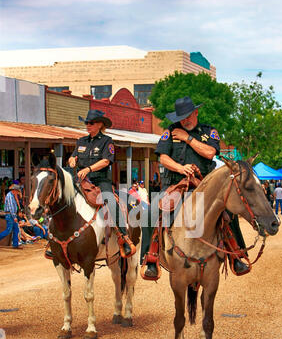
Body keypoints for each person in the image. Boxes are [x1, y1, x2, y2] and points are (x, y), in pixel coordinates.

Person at [140, 96, 249, 279]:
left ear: (196, 112)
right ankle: (149, 258)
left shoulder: (209, 132)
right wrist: (181, 168)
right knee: (150, 213)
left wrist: (188, 138)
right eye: (182, 118)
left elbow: (210, 152)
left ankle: (237, 256)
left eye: (188, 116)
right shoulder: (170, 132)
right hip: (176, 185)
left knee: (229, 213)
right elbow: (163, 158)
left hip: (205, 186)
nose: (185, 120)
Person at [69, 109, 135, 258]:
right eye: (86, 123)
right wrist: (72, 160)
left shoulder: (107, 141)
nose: (88, 125)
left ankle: (123, 237)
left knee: (111, 201)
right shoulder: (81, 141)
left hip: (100, 180)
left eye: (91, 123)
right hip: (81, 180)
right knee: (62, 195)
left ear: (100, 124)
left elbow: (106, 161)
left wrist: (89, 168)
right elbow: (73, 157)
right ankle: (54, 238)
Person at [0, 184, 22, 249]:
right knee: (8, 230)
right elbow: (11, 207)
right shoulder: (9, 196)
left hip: (11, 214)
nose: (18, 193)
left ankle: (15, 244)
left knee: (16, 229)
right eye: (17, 191)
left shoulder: (12, 195)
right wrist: (14, 217)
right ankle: (15, 244)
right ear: (14, 190)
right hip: (10, 215)